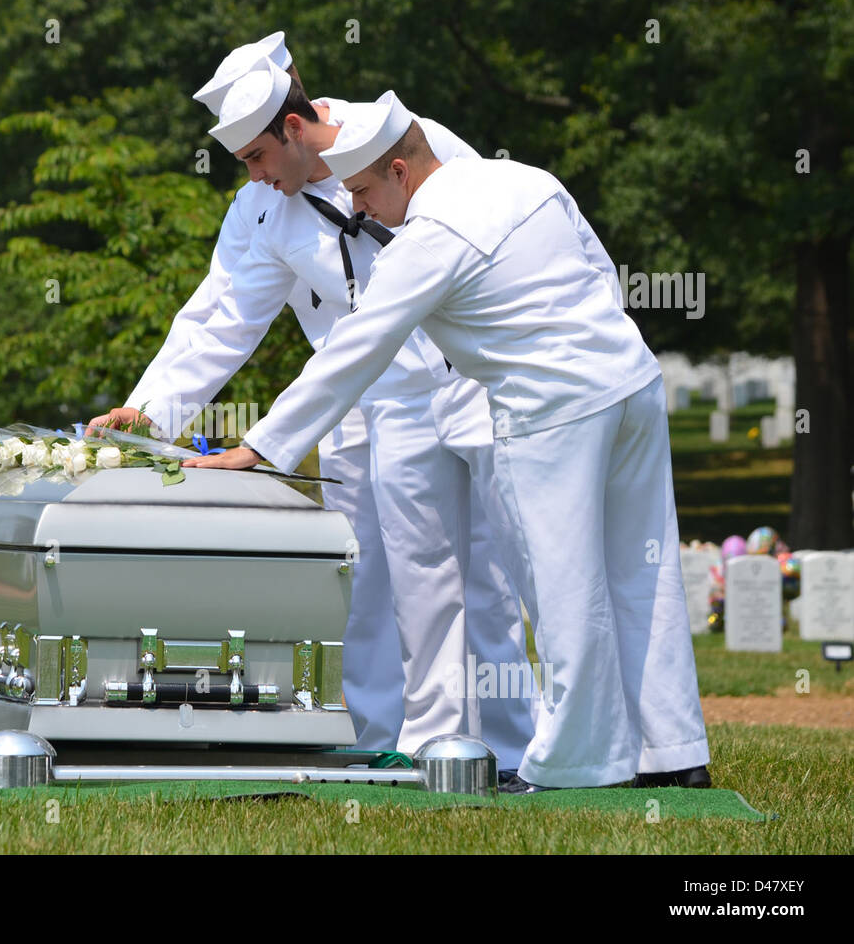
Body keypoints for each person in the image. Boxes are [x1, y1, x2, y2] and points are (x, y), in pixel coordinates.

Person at [184, 91, 711, 791]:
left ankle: (579, 767)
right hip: (630, 384)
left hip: (548, 413)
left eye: (366, 191)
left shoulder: (428, 237)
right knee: (642, 575)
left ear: (400, 171)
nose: (361, 210)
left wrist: (262, 446)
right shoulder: (528, 179)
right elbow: (596, 264)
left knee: (563, 589)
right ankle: (674, 755)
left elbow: (354, 353)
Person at [91, 39, 537, 770]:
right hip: (355, 402)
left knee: (477, 581)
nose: (256, 179)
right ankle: (378, 742)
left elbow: (487, 226)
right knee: (361, 584)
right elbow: (219, 316)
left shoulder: (401, 135)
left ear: (294, 129)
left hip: (460, 381)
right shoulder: (261, 210)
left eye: (257, 159)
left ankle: (500, 749)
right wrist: (150, 411)